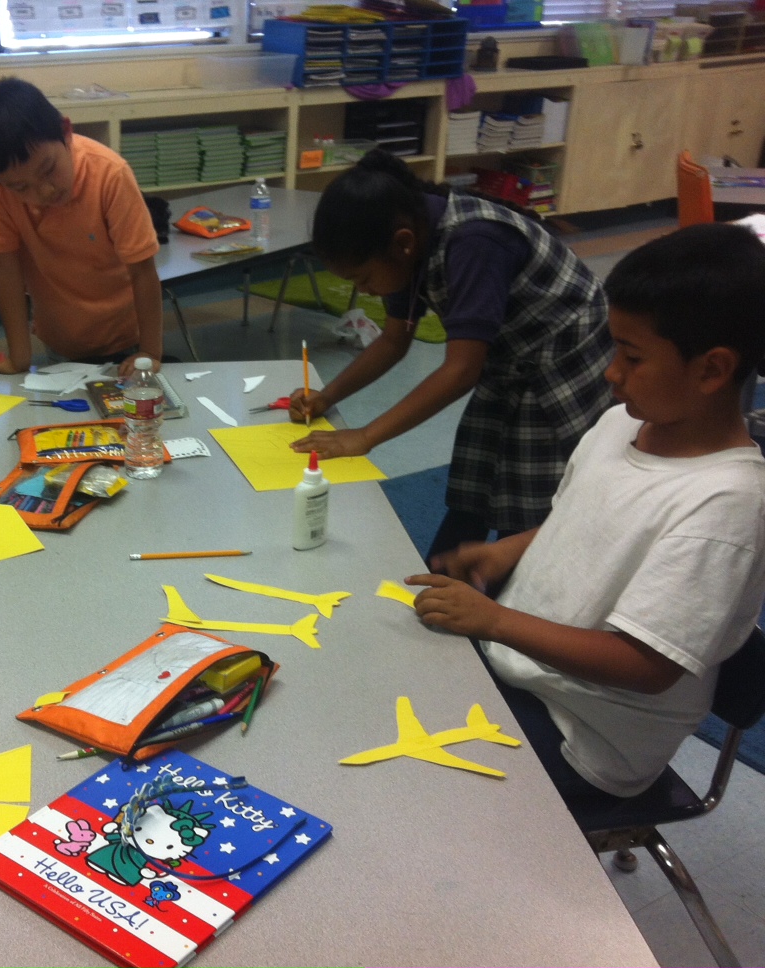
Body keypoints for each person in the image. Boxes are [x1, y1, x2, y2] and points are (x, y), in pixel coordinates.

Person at [408, 223, 765, 800]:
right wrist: (508, 550)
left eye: (632, 356)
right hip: (522, 666)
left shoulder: (727, 505)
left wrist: (494, 621)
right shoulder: (621, 422)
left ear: (711, 370)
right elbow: (584, 518)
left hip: (587, 733)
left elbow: (647, 667)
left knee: (414, 787)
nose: (611, 372)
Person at [288, 150, 613, 559]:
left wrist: (366, 436)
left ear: (402, 244)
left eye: (364, 279)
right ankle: (445, 571)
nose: (364, 291)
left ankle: (514, 580)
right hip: (511, 356)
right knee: (475, 480)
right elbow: (393, 340)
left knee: (533, 496)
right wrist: (327, 395)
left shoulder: (474, 242)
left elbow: (460, 371)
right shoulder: (404, 244)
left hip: (566, 358)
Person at [0, 77, 163, 377]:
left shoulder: (110, 174)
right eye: (21, 187)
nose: (44, 191)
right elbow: (5, 268)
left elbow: (142, 270)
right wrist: (19, 358)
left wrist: (150, 352)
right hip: (58, 337)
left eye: (48, 170)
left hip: (125, 338)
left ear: (65, 131)